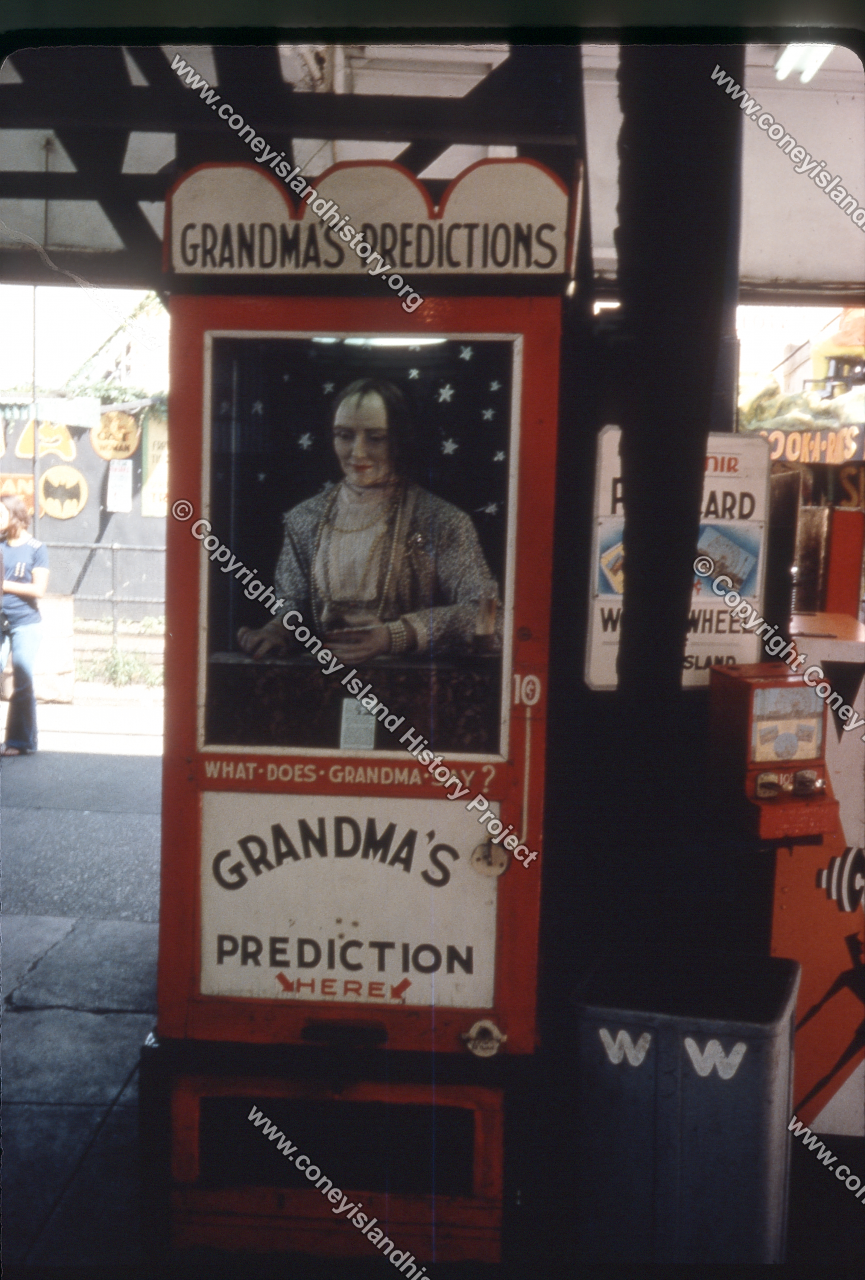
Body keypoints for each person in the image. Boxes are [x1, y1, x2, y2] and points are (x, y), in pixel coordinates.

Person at [237, 377, 500, 665]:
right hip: (322, 681)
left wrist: (396, 636)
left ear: (399, 440)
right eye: (344, 435)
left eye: (376, 438)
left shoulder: (442, 520)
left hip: (411, 685)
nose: (357, 453)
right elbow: (291, 605)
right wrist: (278, 630)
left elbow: (486, 613)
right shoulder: (304, 519)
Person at [1, 495, 49, 755]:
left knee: (21, 680)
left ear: (14, 516)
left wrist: (3, 586)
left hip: (25, 623)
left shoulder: (35, 548)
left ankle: (20, 741)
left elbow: (39, 589)